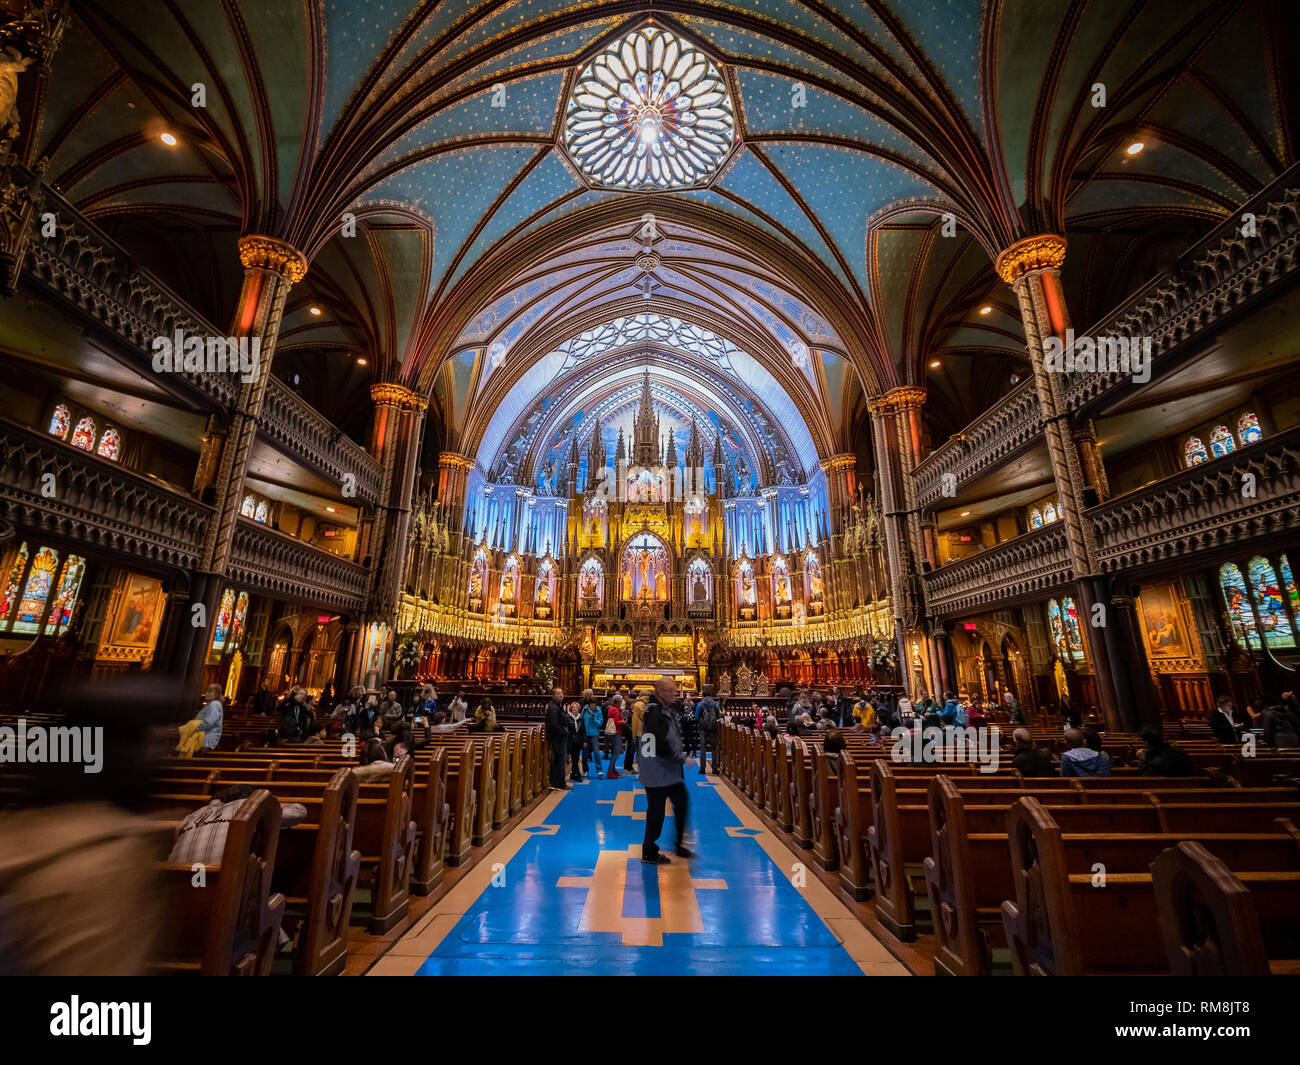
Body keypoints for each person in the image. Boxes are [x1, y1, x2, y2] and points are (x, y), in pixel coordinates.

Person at [169, 784, 307, 865]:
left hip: (180, 884)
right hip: (221, 887)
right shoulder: (249, 808)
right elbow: (299, 812)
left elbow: (177, 835)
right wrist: (267, 802)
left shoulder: (196, 814)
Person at [640, 677, 695, 864]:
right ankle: (649, 851)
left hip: (669, 772)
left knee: (682, 803)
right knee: (656, 812)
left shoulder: (667, 709)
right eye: (671, 690)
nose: (674, 693)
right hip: (656, 771)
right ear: (660, 693)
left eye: (674, 690)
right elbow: (659, 744)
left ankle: (679, 844)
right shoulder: (654, 712)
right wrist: (681, 758)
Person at [545, 686, 569, 791]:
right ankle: (560, 784)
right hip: (558, 738)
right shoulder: (553, 707)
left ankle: (556, 782)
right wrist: (564, 732)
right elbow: (554, 724)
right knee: (560, 760)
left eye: (562, 693)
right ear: (554, 695)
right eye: (558, 693)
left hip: (558, 737)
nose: (561, 695)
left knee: (558, 760)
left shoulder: (556, 705)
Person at [695, 686, 720, 773]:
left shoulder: (699, 704)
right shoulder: (715, 704)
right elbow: (719, 716)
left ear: (703, 696)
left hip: (703, 729)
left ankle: (702, 768)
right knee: (714, 748)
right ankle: (714, 768)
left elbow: (697, 717)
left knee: (703, 749)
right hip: (713, 729)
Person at [580, 690, 604, 778]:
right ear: (589, 704)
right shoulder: (585, 709)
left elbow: (600, 723)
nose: (593, 705)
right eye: (591, 703)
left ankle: (599, 770)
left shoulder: (598, 711)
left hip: (594, 735)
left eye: (594, 704)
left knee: (596, 753)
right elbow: (581, 719)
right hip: (585, 734)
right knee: (585, 754)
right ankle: (585, 770)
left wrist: (593, 719)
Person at [195, 684, 224, 751]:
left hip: (207, 739)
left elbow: (208, 722)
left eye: (210, 691)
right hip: (204, 738)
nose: (206, 694)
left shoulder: (214, 704)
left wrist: (193, 727)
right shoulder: (212, 704)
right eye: (206, 691)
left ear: (216, 694)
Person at [603, 695, 624, 778]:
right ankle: (610, 771)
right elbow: (616, 722)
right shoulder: (615, 710)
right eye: (621, 701)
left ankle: (613, 770)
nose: (622, 702)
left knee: (615, 751)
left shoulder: (613, 708)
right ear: (618, 702)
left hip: (613, 732)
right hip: (615, 732)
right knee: (616, 752)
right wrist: (623, 722)